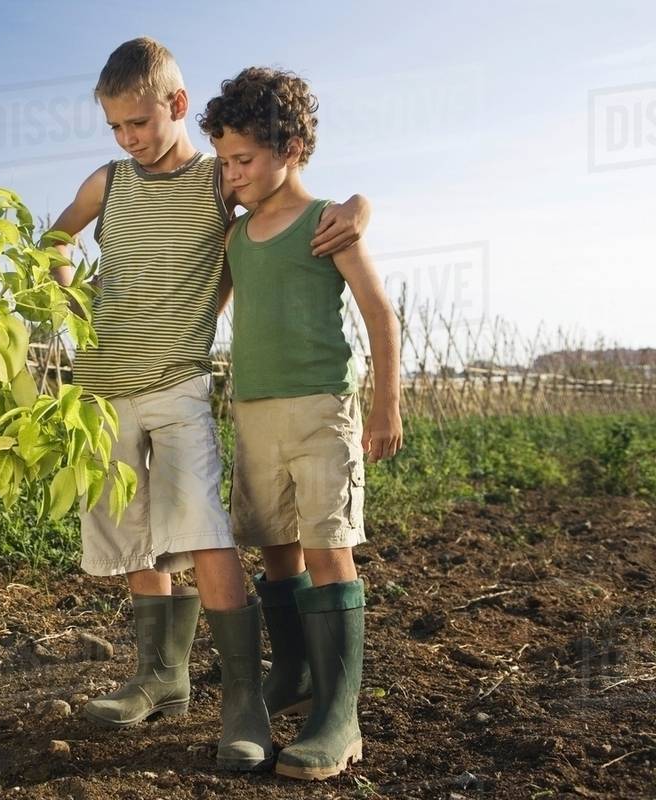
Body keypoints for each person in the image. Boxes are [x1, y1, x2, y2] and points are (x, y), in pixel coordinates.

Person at [47, 38, 370, 771]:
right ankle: (159, 678)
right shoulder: (109, 183)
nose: (128, 139)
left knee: (202, 529)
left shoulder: (215, 182)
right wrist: (66, 281)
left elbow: (287, 191)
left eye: (139, 123)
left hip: (178, 380)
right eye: (116, 128)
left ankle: (244, 702)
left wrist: (359, 206)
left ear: (178, 107)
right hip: (101, 387)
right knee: (133, 534)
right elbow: (52, 238)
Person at [199, 65, 404, 780]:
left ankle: (339, 718)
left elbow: (380, 313)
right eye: (223, 163)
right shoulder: (234, 239)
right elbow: (205, 313)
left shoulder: (329, 224)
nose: (231, 175)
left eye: (243, 160)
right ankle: (294, 674)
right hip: (254, 411)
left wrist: (385, 405)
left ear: (288, 147)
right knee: (274, 546)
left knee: (326, 548)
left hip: (321, 408)